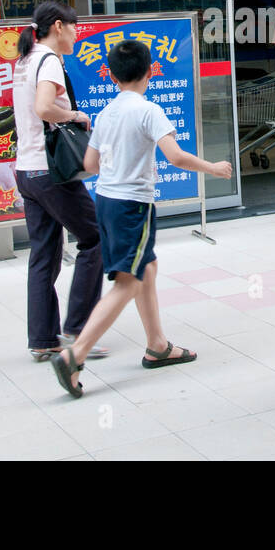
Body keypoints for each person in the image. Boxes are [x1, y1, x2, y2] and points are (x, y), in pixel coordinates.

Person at [51, 40, 232, 397]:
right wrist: (212, 167)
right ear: (150, 71)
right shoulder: (149, 111)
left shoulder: (106, 113)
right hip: (133, 207)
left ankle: (157, 345)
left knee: (145, 268)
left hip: (105, 200)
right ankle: (76, 354)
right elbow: (176, 157)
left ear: (113, 75)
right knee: (129, 280)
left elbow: (89, 166)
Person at [12, 1, 106, 362]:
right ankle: (79, 330)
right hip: (49, 171)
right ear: (57, 26)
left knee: (44, 254)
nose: (76, 33)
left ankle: (42, 339)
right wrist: (76, 114)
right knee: (97, 236)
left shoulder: (24, 59)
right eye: (74, 26)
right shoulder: (48, 60)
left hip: (27, 170)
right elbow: (43, 108)